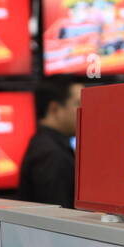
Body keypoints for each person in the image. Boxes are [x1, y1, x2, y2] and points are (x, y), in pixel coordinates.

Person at [18, 76, 83, 208]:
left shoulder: (47, 145)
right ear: (54, 108)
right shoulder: (51, 154)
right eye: (78, 103)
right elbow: (57, 219)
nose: (85, 110)